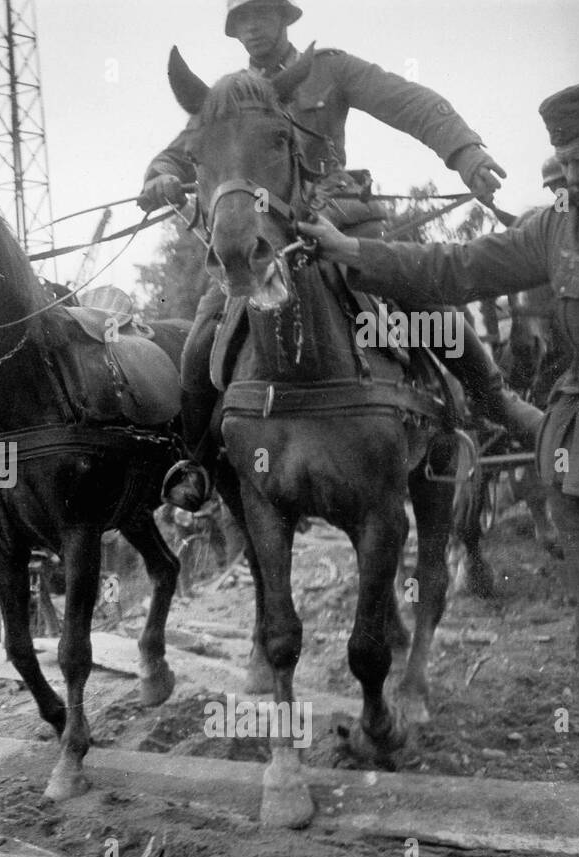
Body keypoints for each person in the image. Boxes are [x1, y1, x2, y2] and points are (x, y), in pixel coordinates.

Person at [298, 82, 579, 857]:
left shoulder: (332, 69)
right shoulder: (555, 230)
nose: (571, 176)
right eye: (565, 163)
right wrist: (351, 251)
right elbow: (450, 269)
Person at [142, 0, 540, 510]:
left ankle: (496, 401)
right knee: (202, 339)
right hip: (268, 239)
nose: (253, 28)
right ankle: (196, 459)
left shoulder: (331, 67)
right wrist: (158, 176)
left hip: (343, 216)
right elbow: (180, 149)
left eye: (261, 15)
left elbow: (407, 101)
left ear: (285, 19)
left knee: (428, 308)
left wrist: (464, 152)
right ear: (232, 31)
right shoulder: (229, 95)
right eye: (242, 21)